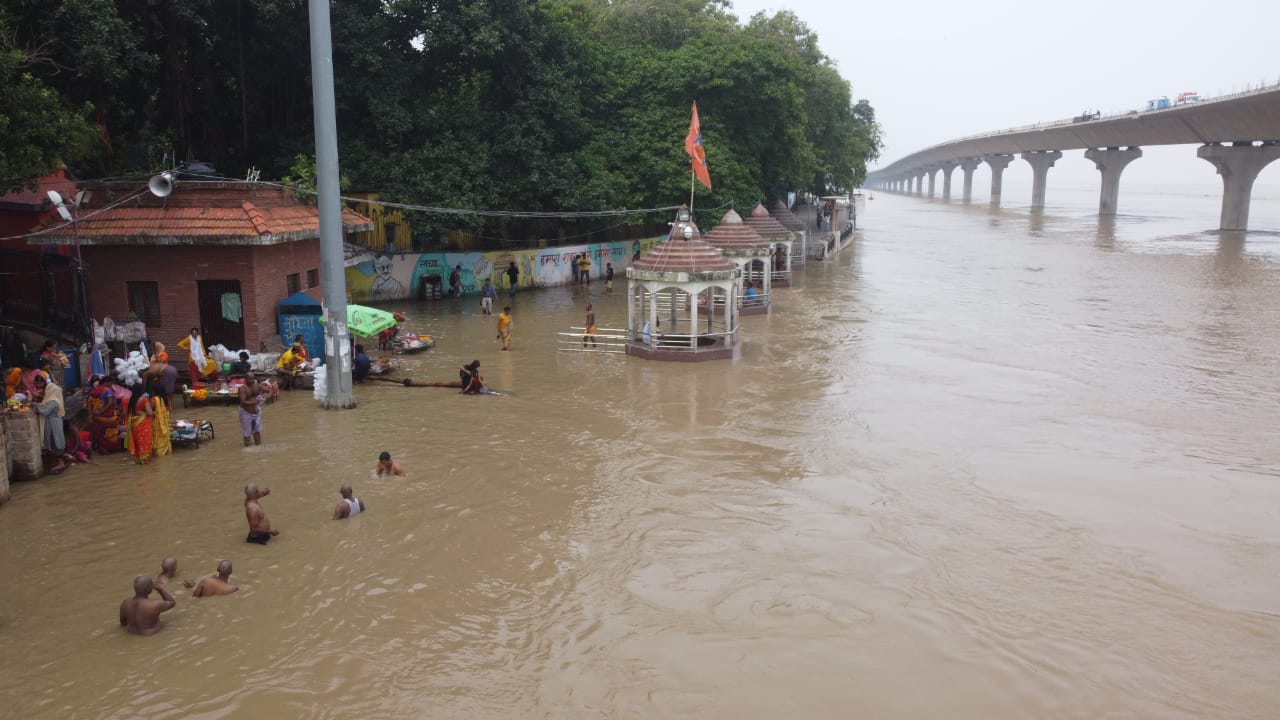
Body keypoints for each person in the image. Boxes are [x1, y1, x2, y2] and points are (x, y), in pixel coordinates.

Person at [32, 374, 68, 473]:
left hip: (53, 423)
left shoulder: (53, 401)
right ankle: (57, 460)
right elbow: (44, 406)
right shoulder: (51, 399)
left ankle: (61, 462)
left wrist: (35, 405)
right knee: (53, 441)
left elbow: (44, 412)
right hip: (52, 423)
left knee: (55, 441)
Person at [88, 375, 125, 453]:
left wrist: (92, 414)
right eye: (110, 383)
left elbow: (89, 403)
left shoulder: (94, 391)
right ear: (106, 382)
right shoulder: (108, 390)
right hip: (108, 416)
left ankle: (101, 448)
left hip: (97, 416)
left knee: (100, 432)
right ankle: (110, 448)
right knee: (111, 432)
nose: (111, 385)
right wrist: (102, 410)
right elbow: (110, 403)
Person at [126, 384, 155, 464]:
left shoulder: (131, 400)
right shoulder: (144, 400)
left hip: (134, 423)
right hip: (143, 423)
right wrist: (156, 412)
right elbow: (149, 413)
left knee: (138, 441)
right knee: (145, 441)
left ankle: (139, 458)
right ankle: (144, 459)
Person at [237, 372, 265, 446]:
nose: (252, 380)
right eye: (249, 379)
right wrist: (254, 403)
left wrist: (269, 393)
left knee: (257, 431)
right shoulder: (242, 388)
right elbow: (243, 401)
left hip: (256, 411)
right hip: (245, 412)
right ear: (245, 379)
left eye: (253, 378)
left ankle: (258, 447)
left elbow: (268, 390)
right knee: (247, 432)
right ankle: (247, 448)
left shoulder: (257, 386)